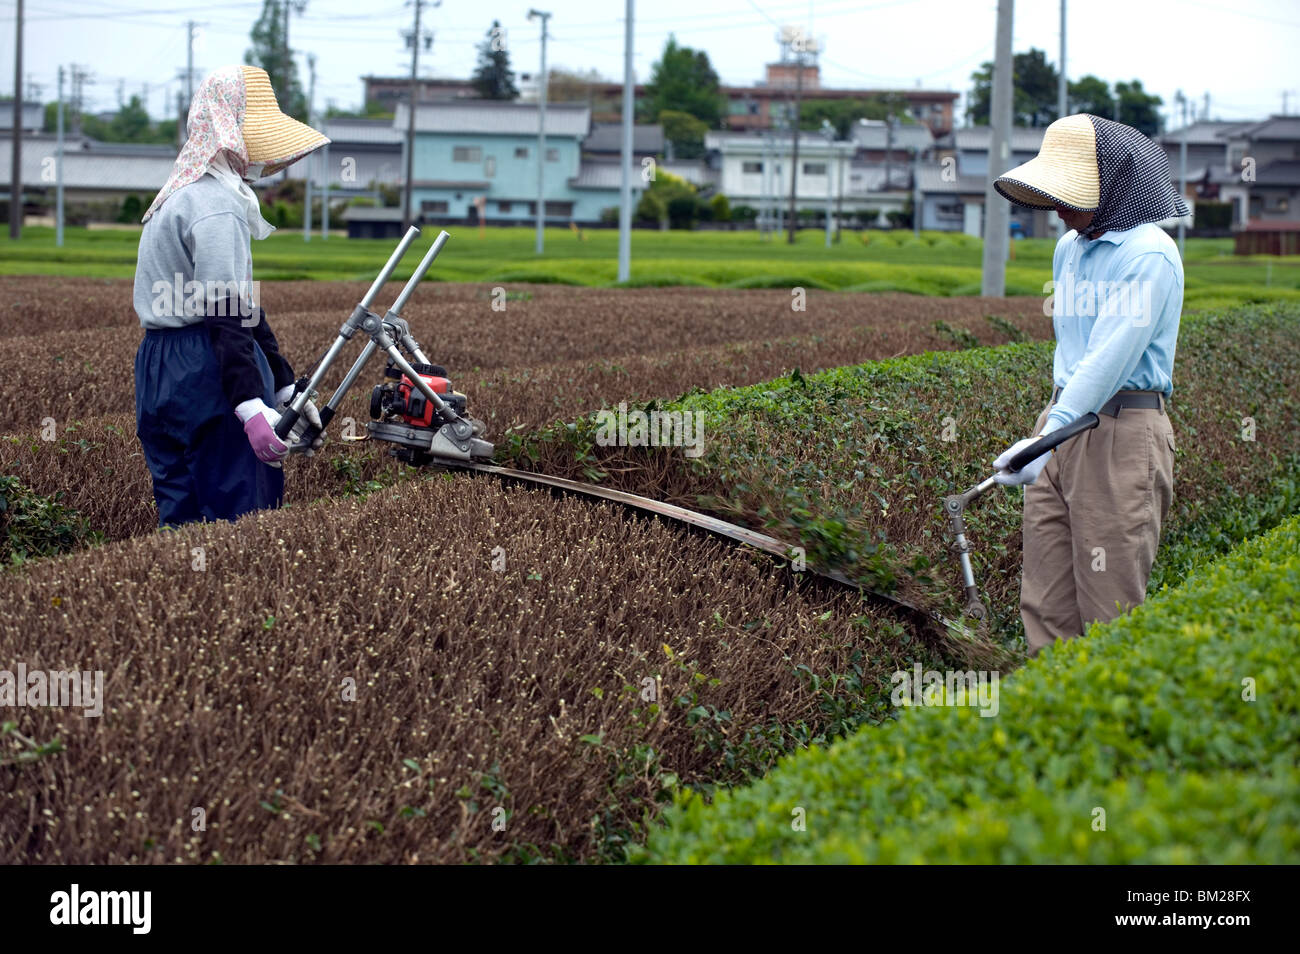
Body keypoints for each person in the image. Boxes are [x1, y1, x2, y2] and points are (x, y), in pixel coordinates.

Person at [990, 113, 1190, 655]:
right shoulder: (1070, 248)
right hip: (1059, 427)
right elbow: (1072, 351)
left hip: (1120, 432)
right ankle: (1049, 728)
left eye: (1068, 194)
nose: (1057, 208)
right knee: (1045, 605)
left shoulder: (1149, 254)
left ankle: (1111, 732)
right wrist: (1048, 432)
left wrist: (1047, 434)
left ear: (1115, 184)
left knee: (1109, 611)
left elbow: (1108, 361)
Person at [133, 65, 328, 527]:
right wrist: (248, 404)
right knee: (241, 517)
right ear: (231, 129)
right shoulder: (218, 206)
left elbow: (239, 304)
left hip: (158, 366)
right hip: (207, 368)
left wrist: (281, 383)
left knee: (179, 513)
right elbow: (225, 312)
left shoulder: (177, 196)